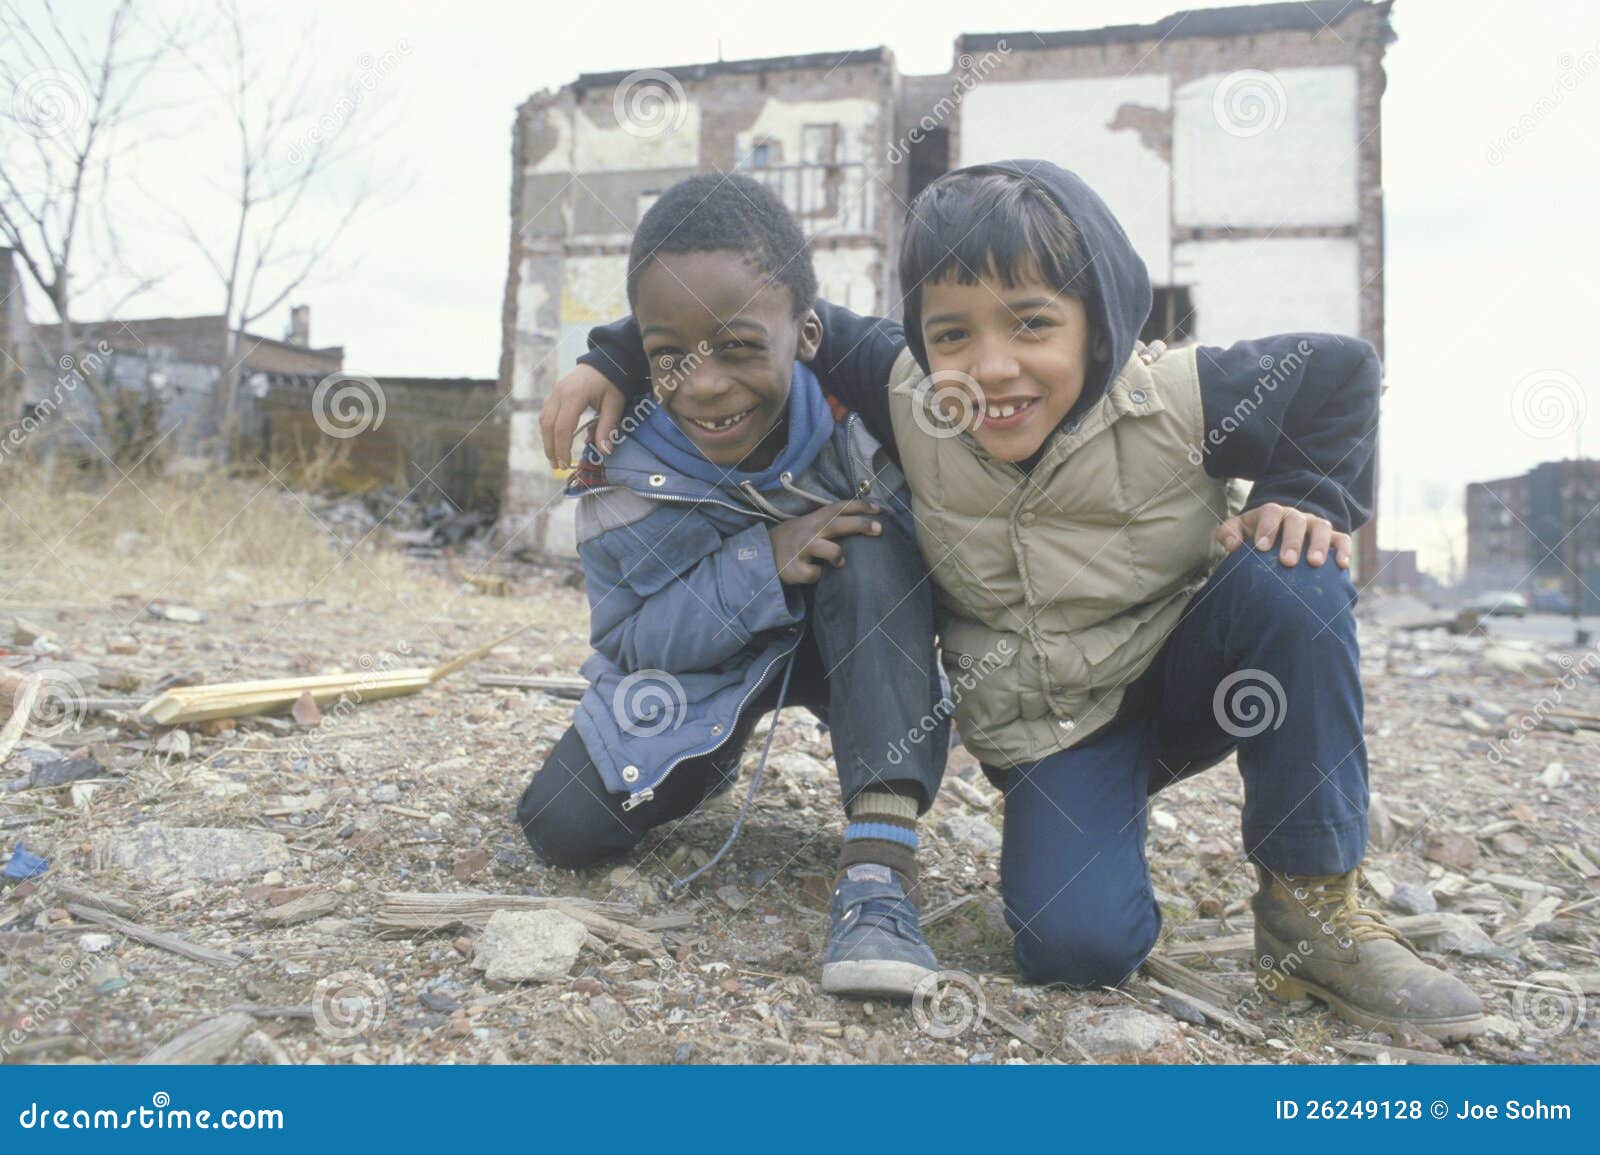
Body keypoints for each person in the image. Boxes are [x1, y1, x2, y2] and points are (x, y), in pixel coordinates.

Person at [542, 160, 1485, 1042]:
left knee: (1298, 570)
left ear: (1098, 322)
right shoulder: (910, 389)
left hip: (1196, 669)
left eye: (1033, 324)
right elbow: (757, 311)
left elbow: (1341, 372)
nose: (990, 368)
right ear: (921, 338)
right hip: (1065, 734)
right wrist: (616, 357)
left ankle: (1313, 916)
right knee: (1078, 949)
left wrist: (1310, 496)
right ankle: (1098, 837)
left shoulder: (1181, 398)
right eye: (952, 333)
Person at [517, 173, 948, 999]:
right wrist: (761, 562)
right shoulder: (619, 467)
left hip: (861, 638)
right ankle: (708, 755)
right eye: (667, 358)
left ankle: (877, 878)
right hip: (711, 662)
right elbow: (628, 638)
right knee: (560, 825)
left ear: (808, 334)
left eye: (742, 348)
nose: (705, 386)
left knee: (867, 541)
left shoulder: (870, 410)